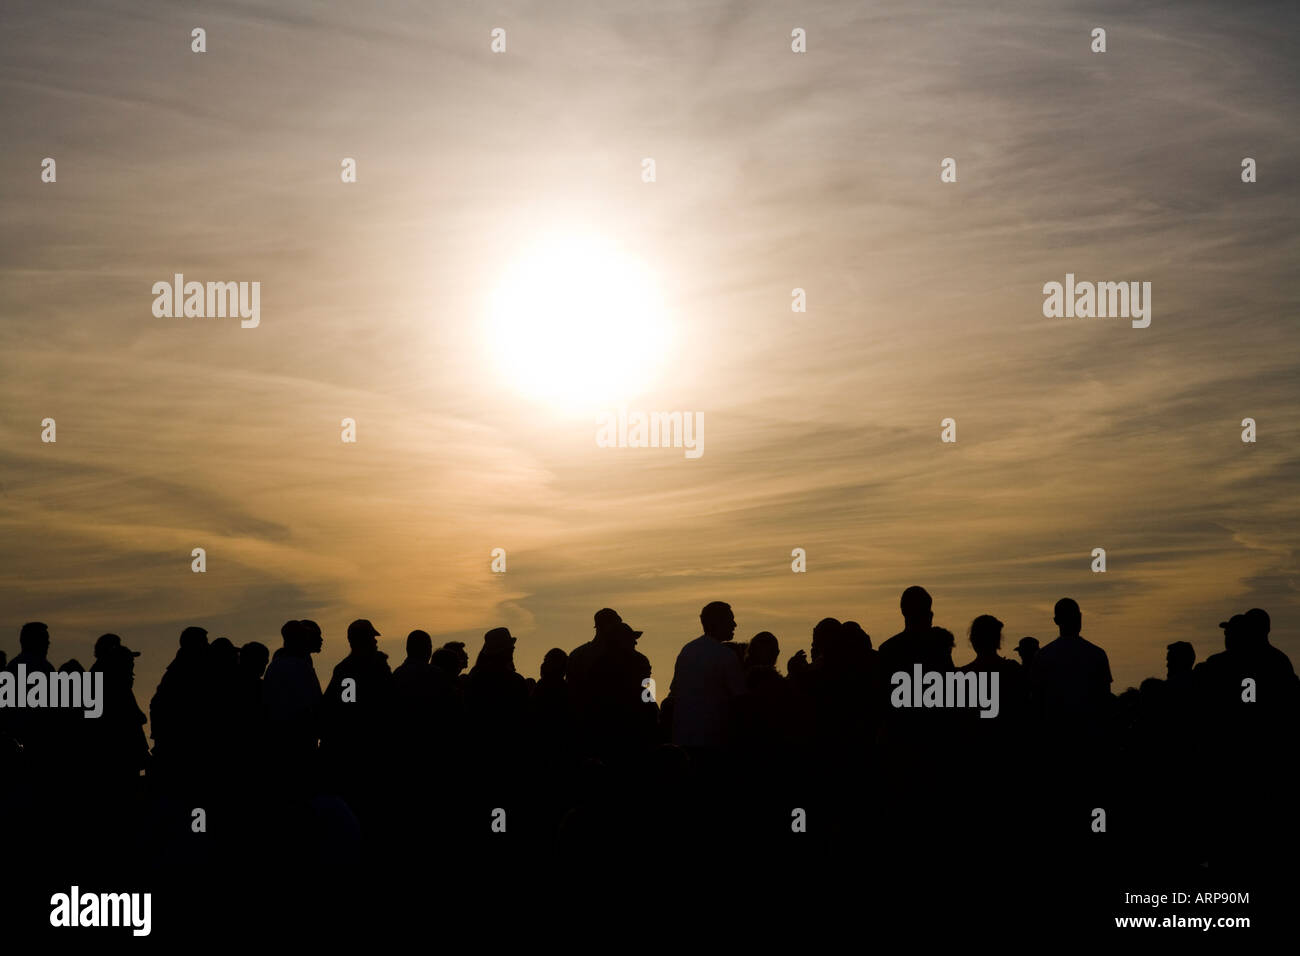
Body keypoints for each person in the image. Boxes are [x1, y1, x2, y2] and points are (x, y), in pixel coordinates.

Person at [667, 602, 745, 754]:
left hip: (684, 739)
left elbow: (674, 691)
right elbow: (740, 699)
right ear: (717, 623)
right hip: (714, 742)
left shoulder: (687, 651)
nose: (734, 624)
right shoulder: (726, 656)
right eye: (730, 620)